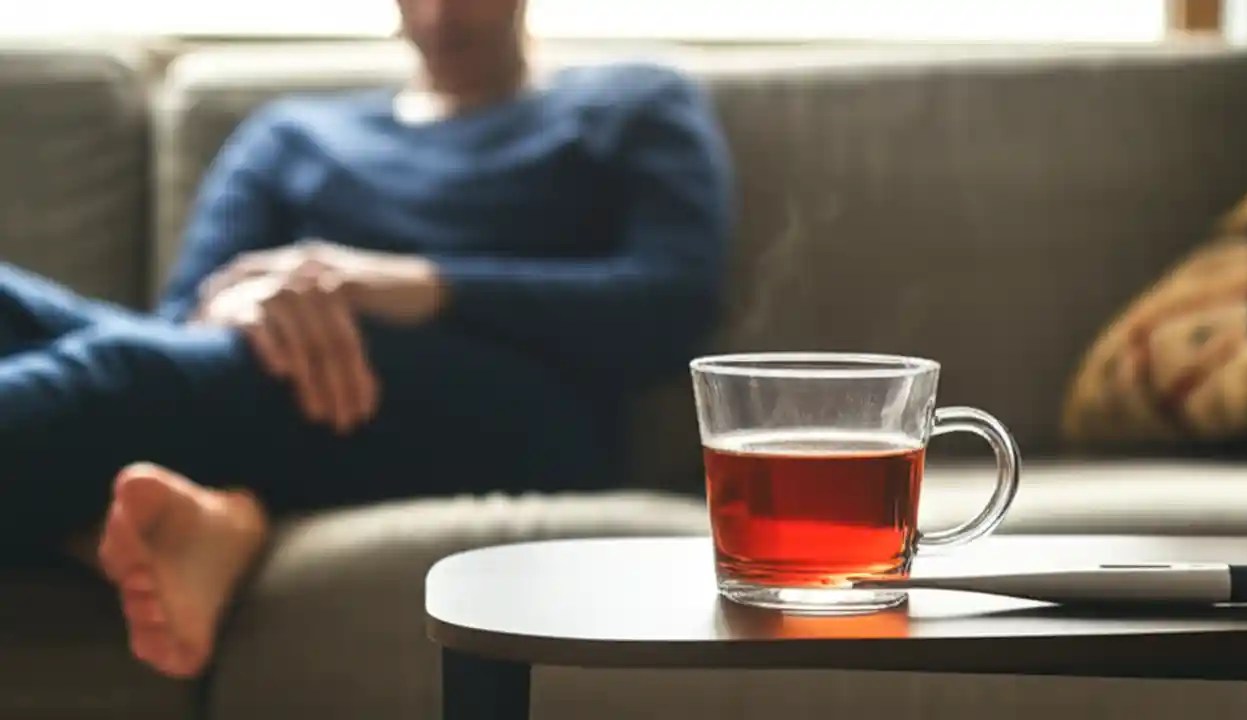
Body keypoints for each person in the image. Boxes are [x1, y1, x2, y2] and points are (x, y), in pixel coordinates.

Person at [0, 0, 731, 679]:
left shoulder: (632, 104)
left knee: (123, 373)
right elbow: (182, 326)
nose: (442, 15)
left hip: (509, 411)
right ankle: (194, 517)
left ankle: (155, 514)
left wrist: (417, 286)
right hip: (270, 386)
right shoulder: (291, 135)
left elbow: (671, 300)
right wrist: (255, 301)